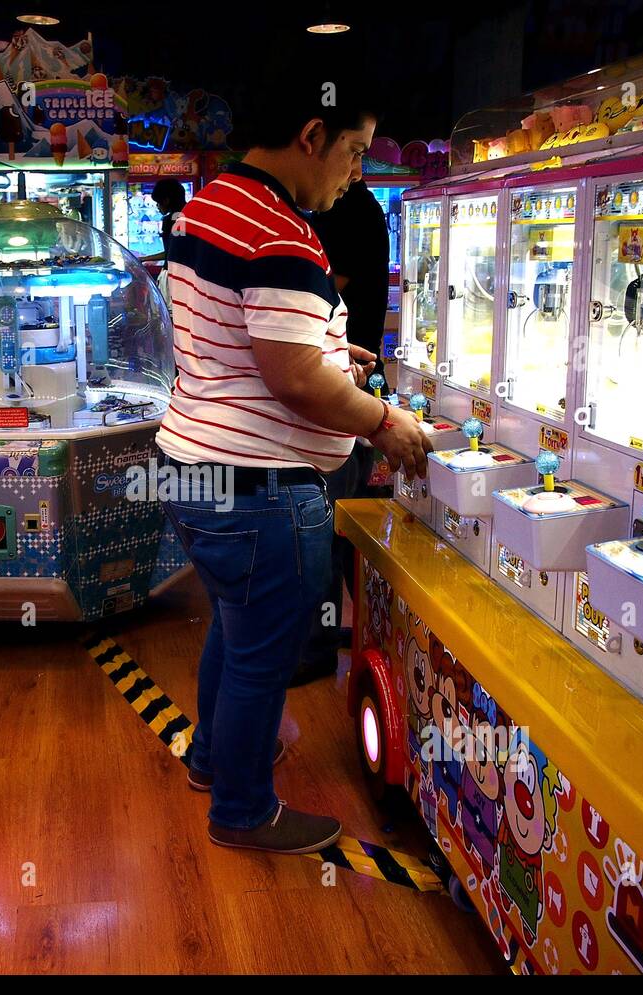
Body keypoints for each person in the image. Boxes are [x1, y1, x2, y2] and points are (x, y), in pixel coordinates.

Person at [156, 61, 433, 855]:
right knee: (263, 651)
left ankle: (215, 759)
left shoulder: (211, 205)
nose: (356, 174)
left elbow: (252, 341)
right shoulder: (278, 231)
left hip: (195, 464)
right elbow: (297, 379)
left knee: (237, 631)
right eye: (354, 151)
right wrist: (384, 422)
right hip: (258, 485)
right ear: (312, 135)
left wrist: (319, 343)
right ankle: (242, 810)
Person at [294, 178, 393, 686]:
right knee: (339, 524)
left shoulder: (348, 209)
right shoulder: (355, 207)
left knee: (328, 523)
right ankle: (344, 634)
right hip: (352, 381)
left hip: (346, 389)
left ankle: (317, 645)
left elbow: (334, 286)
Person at [140, 177, 187, 265]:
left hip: (175, 271)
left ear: (166, 201)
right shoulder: (187, 214)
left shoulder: (174, 219)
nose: (157, 207)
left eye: (158, 202)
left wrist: (143, 259)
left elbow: (172, 252)